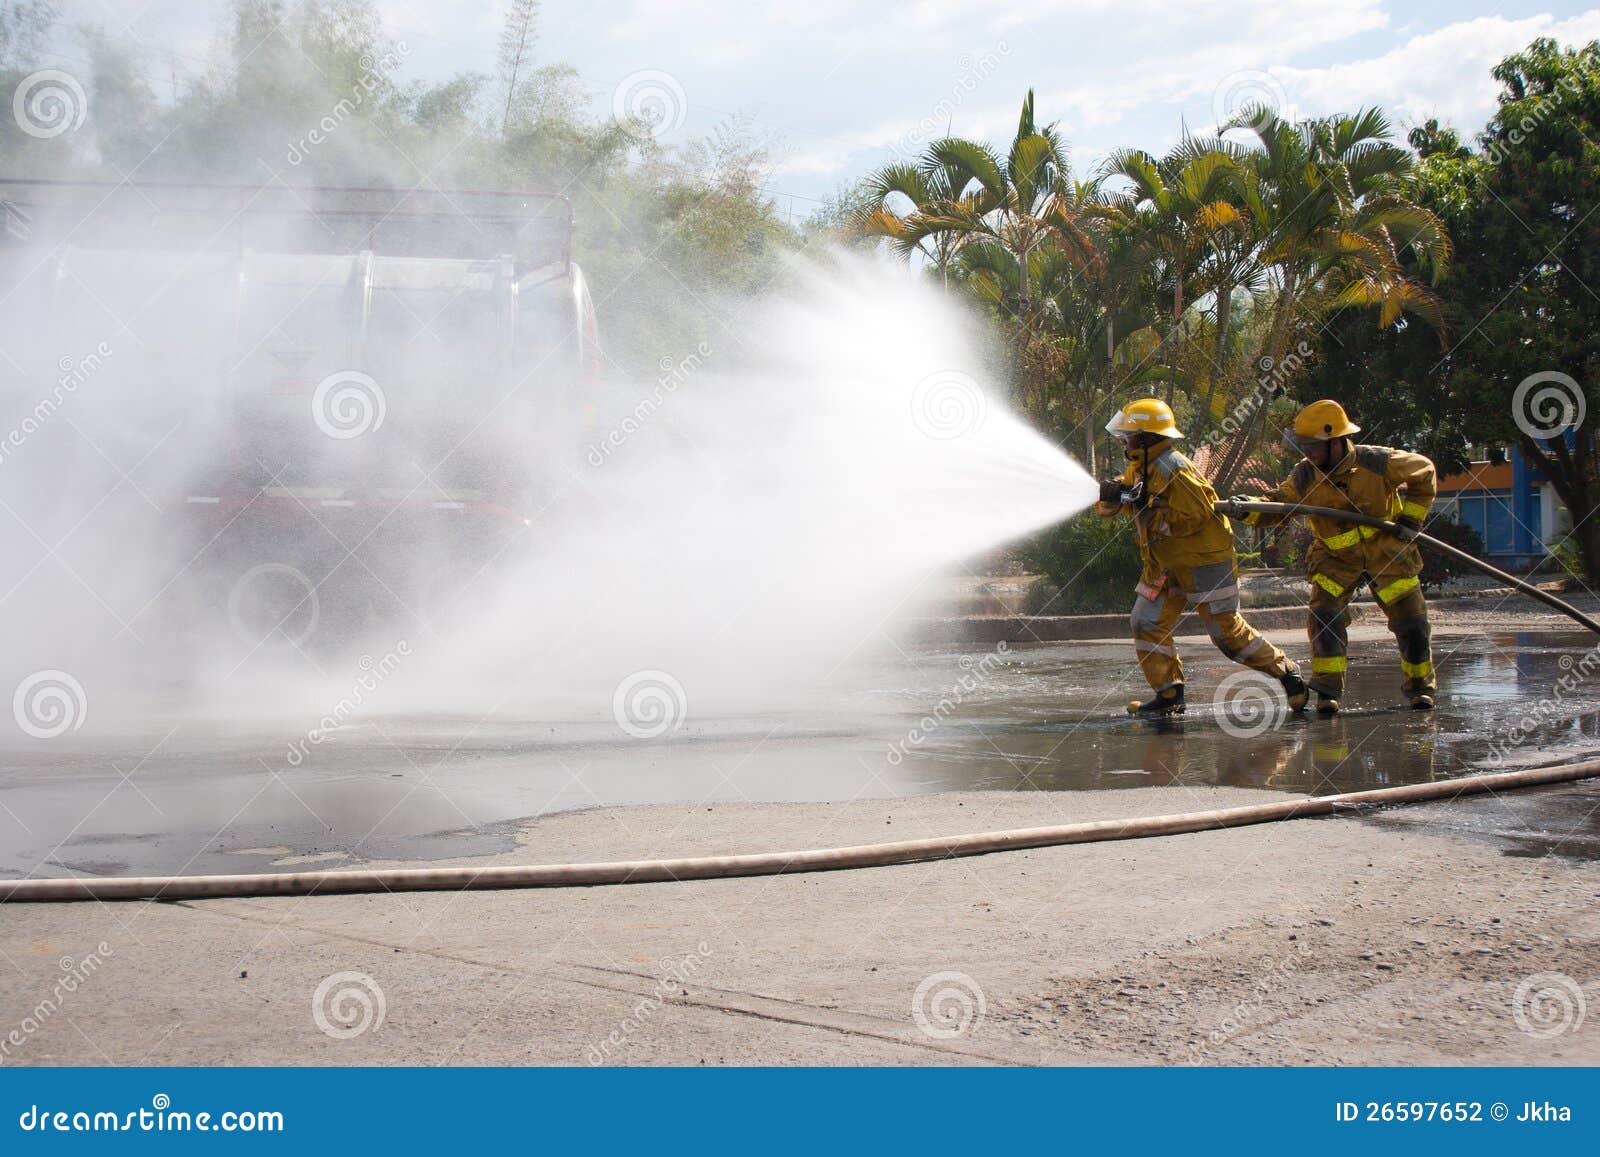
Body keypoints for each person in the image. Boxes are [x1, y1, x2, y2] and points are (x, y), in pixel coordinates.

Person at [1096, 398, 1308, 717]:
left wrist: (1147, 510)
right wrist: (1112, 497)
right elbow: (1118, 507)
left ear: (1146, 437)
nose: (1123, 440)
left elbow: (1196, 514)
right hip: (1165, 565)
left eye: (1129, 434)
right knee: (1145, 621)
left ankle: (1287, 672)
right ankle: (1169, 693)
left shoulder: (1174, 468)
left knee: (1227, 635)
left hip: (1205, 562)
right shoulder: (1139, 468)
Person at [1231, 399, 1437, 714]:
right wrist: (1247, 508)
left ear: (1337, 440)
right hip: (1335, 559)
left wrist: (1411, 519)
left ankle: (1421, 689)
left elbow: (1425, 472)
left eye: (1314, 446)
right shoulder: (1305, 475)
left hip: (1387, 553)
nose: (1308, 453)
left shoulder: (1377, 462)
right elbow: (1280, 505)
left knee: (1411, 621)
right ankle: (1327, 691)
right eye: (1304, 446)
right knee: (1324, 617)